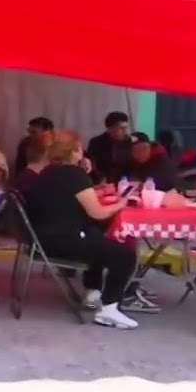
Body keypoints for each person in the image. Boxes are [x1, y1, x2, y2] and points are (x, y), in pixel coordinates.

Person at [24, 131, 139, 329]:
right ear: (74, 150)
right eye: (79, 147)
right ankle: (109, 309)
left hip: (45, 238)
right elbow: (98, 212)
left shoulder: (48, 172)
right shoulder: (73, 174)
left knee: (97, 236)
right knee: (125, 255)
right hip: (63, 241)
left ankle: (93, 291)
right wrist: (121, 203)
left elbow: (74, 197)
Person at [86, 111, 133, 184]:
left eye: (126, 128)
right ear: (110, 128)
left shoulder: (130, 143)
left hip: (126, 183)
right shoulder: (96, 142)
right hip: (102, 183)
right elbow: (92, 165)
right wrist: (100, 178)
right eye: (121, 128)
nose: (125, 131)